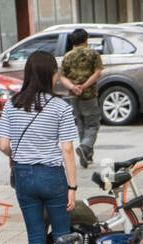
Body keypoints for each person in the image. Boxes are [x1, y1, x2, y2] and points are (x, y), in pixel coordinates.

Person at [0, 50, 78, 244]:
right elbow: (67, 150)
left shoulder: (12, 105)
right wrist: (72, 186)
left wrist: (19, 154)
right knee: (62, 234)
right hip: (52, 177)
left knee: (35, 236)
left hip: (23, 176)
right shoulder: (60, 107)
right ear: (50, 74)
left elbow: (2, 145)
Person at [57, 28, 103, 168]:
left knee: (81, 124)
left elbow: (62, 77)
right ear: (86, 39)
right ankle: (84, 147)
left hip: (73, 96)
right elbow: (98, 73)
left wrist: (73, 87)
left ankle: (87, 156)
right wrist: (84, 86)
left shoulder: (68, 56)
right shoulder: (94, 54)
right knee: (93, 125)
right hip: (89, 95)